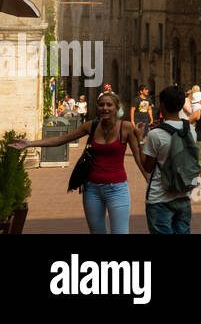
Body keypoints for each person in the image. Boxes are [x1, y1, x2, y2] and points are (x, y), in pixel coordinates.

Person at [9, 90, 144, 234]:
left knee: (120, 232)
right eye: (101, 105)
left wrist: (148, 177)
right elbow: (60, 140)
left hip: (117, 189)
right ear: (97, 107)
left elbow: (138, 157)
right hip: (92, 189)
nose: (105, 108)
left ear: (117, 109)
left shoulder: (126, 127)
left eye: (109, 105)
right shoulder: (91, 126)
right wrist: (30, 143)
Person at [140, 85, 201, 234]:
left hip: (160, 197)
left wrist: (140, 140)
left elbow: (147, 166)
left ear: (162, 105)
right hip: (183, 194)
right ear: (181, 105)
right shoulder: (190, 130)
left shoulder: (155, 135)